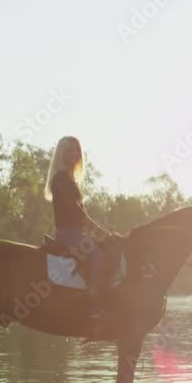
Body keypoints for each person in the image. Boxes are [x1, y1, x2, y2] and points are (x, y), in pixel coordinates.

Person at [44, 136, 116, 334]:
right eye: (69, 150)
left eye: (76, 150)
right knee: (99, 258)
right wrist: (99, 229)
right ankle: (93, 311)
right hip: (69, 234)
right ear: (61, 153)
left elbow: (79, 212)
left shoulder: (69, 178)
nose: (74, 154)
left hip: (76, 233)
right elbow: (76, 212)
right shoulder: (61, 179)